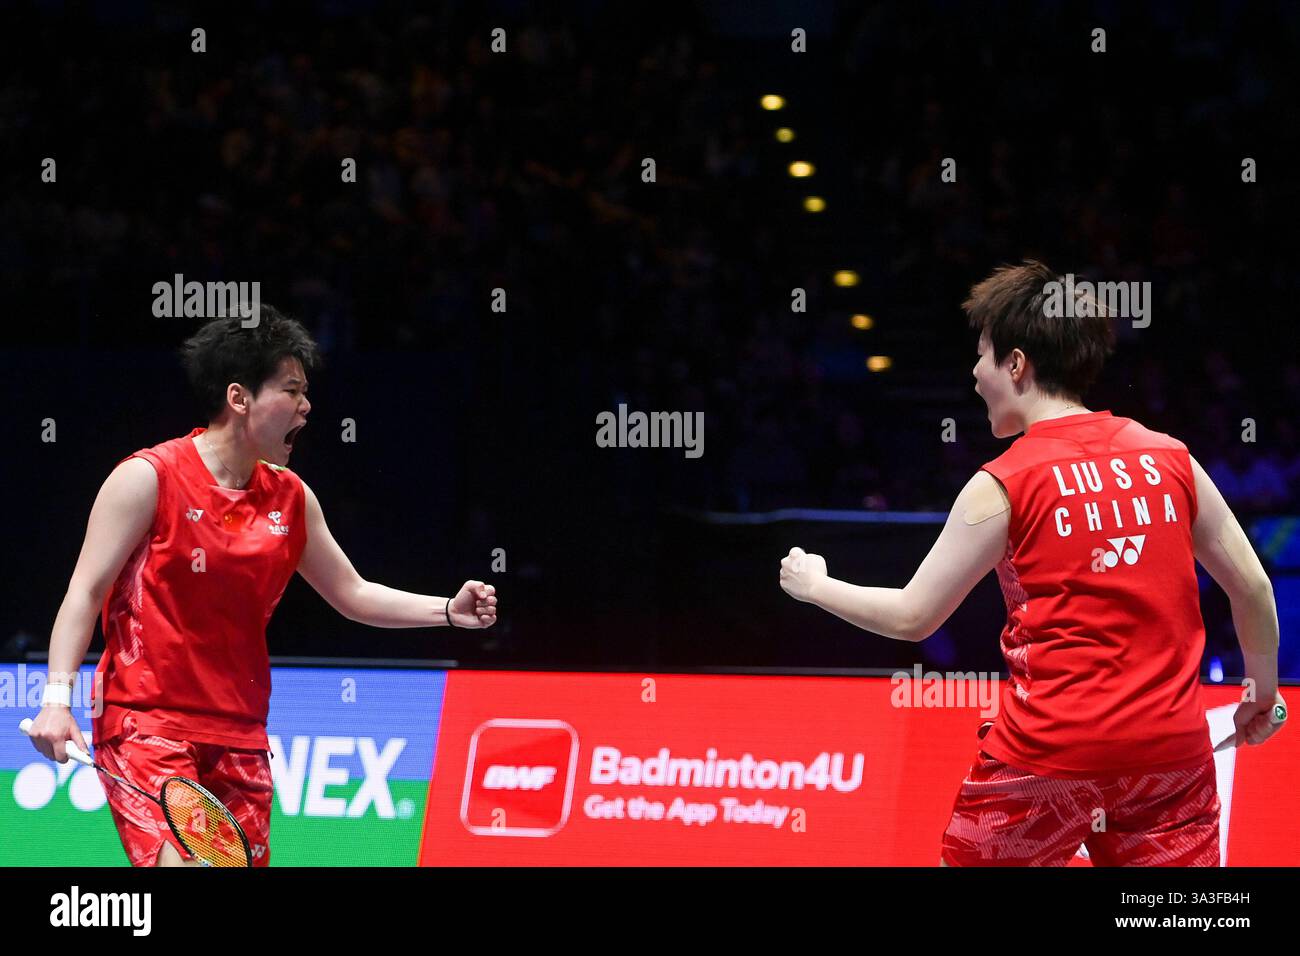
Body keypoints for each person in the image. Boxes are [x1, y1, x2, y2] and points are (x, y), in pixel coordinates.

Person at [779, 260, 1286, 866]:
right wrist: (1260, 690)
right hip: (1169, 758)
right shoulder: (1171, 459)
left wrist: (817, 585)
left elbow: (913, 617)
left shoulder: (1002, 484)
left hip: (1046, 761)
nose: (973, 375)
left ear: (1016, 364)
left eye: (983, 355)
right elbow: (1253, 587)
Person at [26, 305, 498, 866]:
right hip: (147, 721)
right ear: (239, 397)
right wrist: (57, 701)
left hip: (241, 732)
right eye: (292, 390)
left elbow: (352, 593)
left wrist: (448, 610)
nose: (306, 405)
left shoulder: (291, 498)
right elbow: (84, 591)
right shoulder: (148, 479)